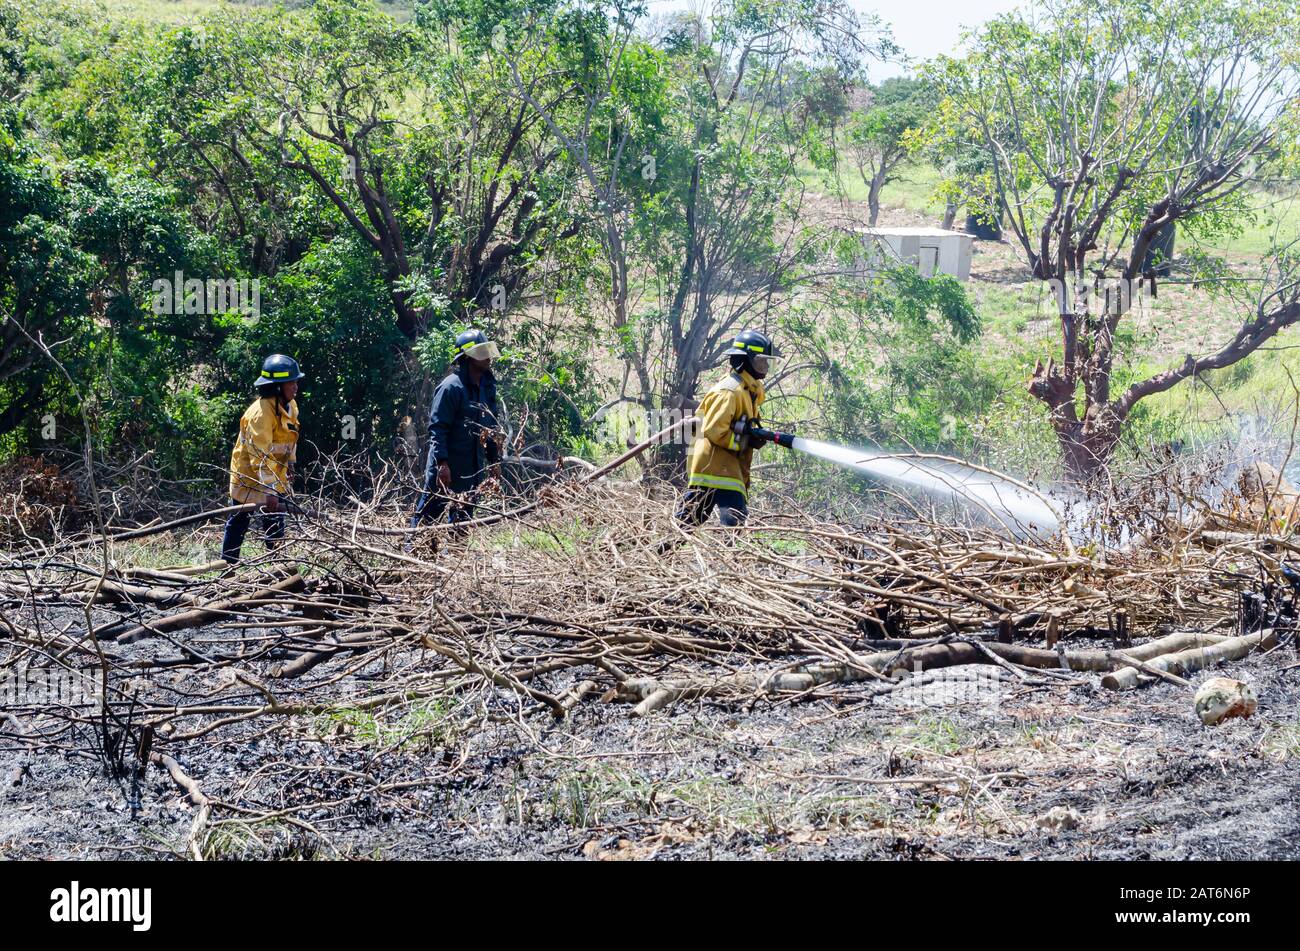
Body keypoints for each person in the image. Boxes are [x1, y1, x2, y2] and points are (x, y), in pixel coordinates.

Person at [678, 329, 780, 527]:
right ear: (745, 361)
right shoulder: (729, 391)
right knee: (733, 522)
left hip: (720, 469)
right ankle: (733, 557)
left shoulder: (748, 390)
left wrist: (753, 436)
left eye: (768, 362)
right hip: (716, 469)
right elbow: (716, 431)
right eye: (761, 361)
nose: (766, 367)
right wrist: (745, 441)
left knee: (688, 521)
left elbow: (741, 426)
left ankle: (660, 552)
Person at [411, 329, 504, 527]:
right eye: (481, 352)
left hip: (472, 471)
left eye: (487, 350)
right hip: (448, 469)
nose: (487, 356)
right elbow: (438, 429)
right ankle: (412, 554)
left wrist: (494, 461)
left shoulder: (487, 387)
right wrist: (442, 465)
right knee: (427, 521)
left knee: (461, 525)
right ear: (468, 357)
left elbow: (490, 427)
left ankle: (454, 557)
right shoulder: (450, 388)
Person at [222, 354, 303, 564]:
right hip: (249, 476)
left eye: (295, 381)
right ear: (277, 386)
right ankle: (227, 566)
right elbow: (260, 456)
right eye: (291, 382)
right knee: (239, 521)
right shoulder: (260, 414)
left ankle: (280, 569)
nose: (296, 386)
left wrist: (291, 463)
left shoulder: (290, 406)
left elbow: (290, 436)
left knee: (275, 522)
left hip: (275, 474)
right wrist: (269, 490)